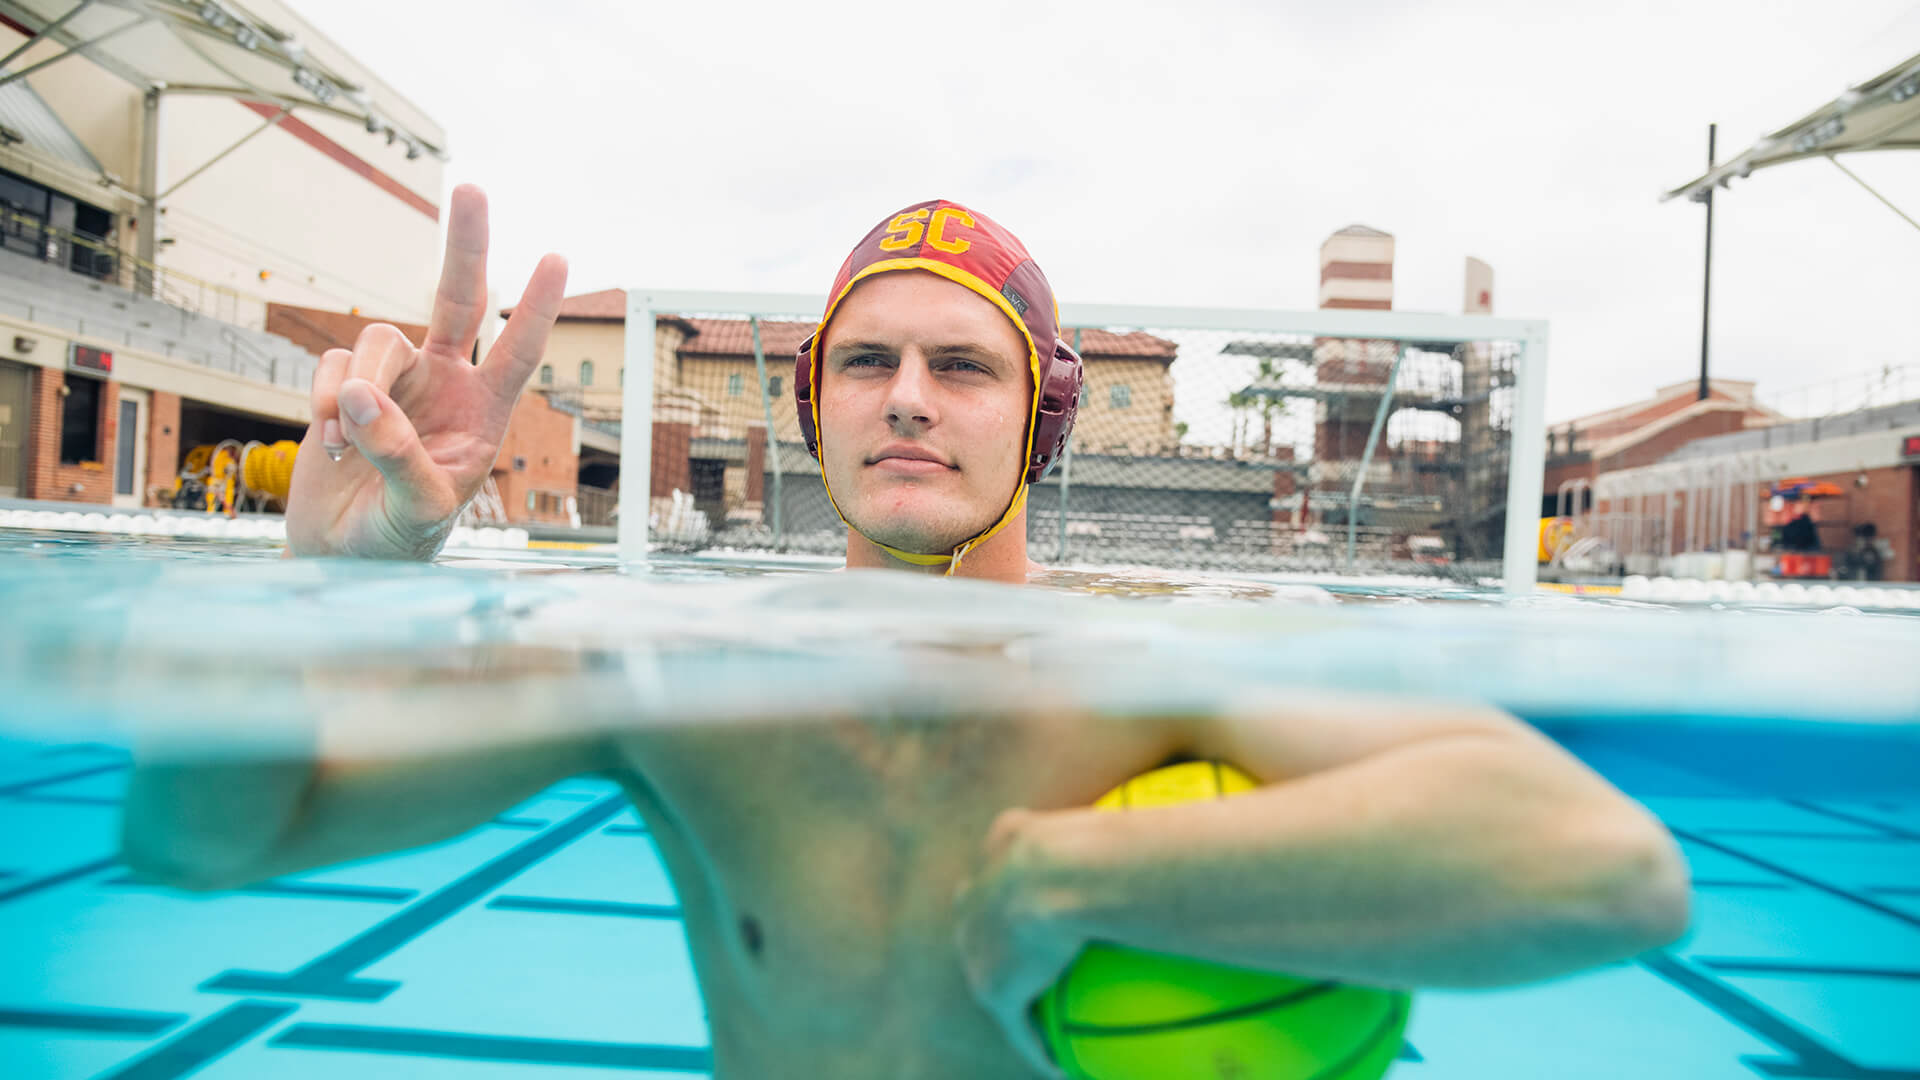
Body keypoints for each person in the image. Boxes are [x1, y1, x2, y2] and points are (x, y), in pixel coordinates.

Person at [124, 187, 1690, 1079]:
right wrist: (320, 594)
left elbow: (1616, 872)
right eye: (866, 362)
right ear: (816, 414)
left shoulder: (1147, 683)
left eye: (965, 364)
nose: (911, 398)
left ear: (1042, 420)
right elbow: (211, 843)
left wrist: (1066, 875)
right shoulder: (681, 679)